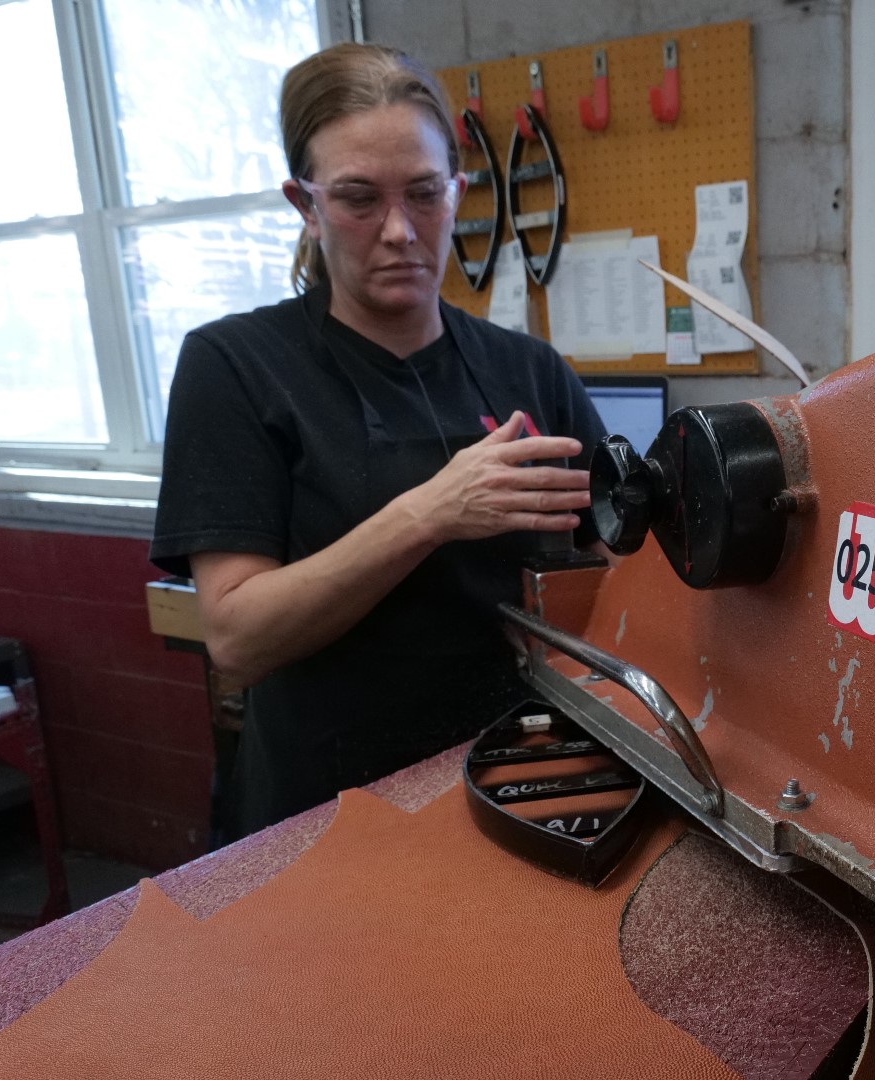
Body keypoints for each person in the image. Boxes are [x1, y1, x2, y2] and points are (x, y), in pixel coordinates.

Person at [149, 43, 604, 840]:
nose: (399, 230)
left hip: (526, 778)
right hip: (330, 807)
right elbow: (237, 638)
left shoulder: (530, 370)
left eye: (425, 194)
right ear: (306, 203)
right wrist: (429, 512)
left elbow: (616, 566)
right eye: (359, 199)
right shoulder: (237, 366)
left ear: (457, 192)